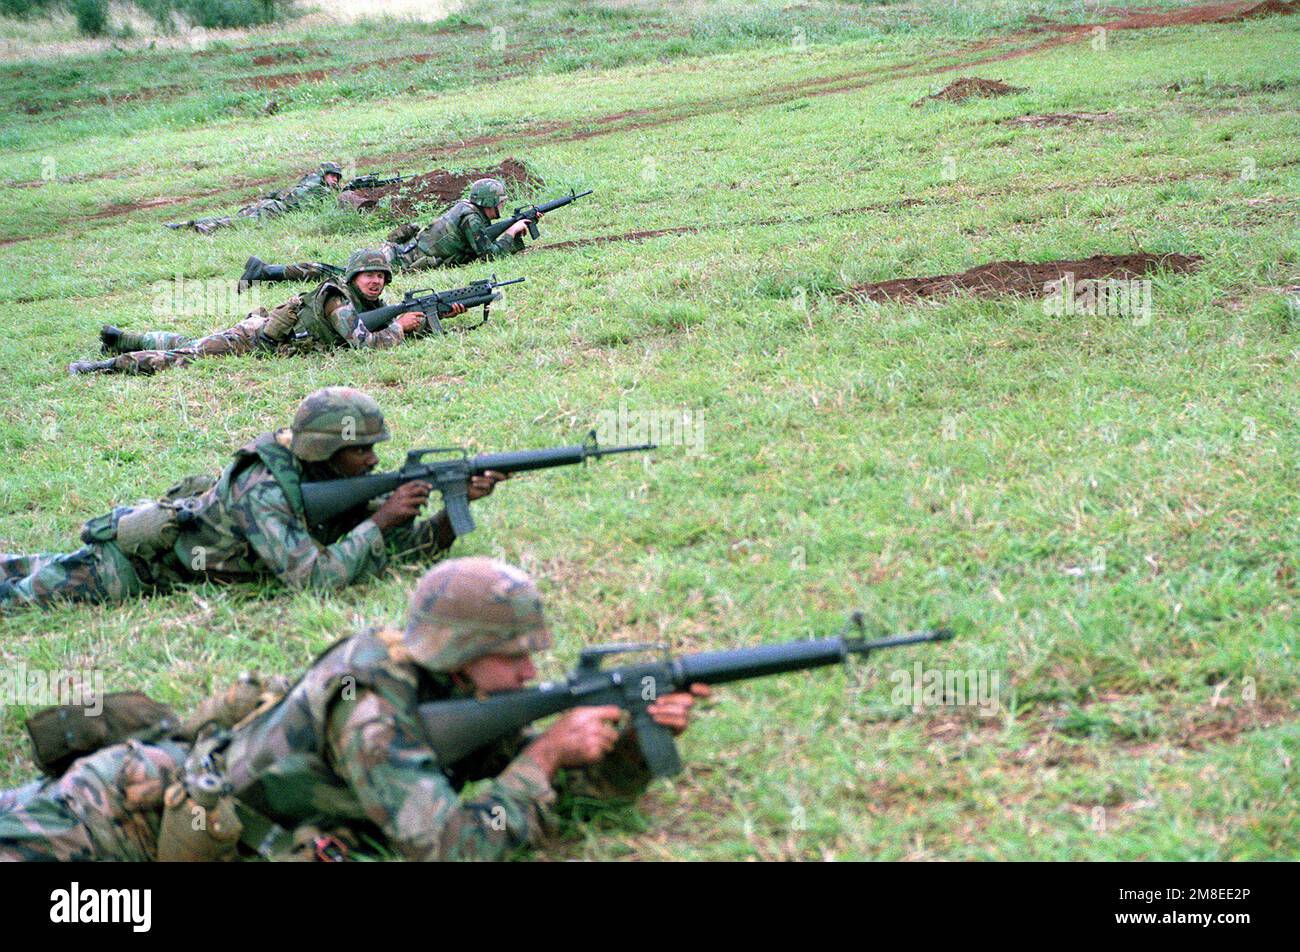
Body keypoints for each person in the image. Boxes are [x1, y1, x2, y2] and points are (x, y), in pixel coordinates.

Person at [0, 558, 707, 861]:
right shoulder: (371, 710)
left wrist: (627, 748)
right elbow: (453, 848)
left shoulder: (456, 688)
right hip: (116, 821)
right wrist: (544, 755)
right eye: (515, 655)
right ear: (460, 648)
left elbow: (570, 804)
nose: (530, 672)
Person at [0, 387, 504, 612]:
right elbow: (315, 580)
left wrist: (448, 517)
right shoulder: (263, 488)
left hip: (164, 558)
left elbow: (396, 554)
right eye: (361, 451)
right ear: (326, 450)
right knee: (20, 594)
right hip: (132, 570)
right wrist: (382, 520)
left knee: (20, 567)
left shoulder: (319, 477)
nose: (374, 461)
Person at [67, 249, 457, 376]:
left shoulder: (368, 304)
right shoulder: (338, 300)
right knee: (184, 357)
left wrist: (436, 317)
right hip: (252, 340)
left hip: (263, 330)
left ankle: (124, 339)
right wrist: (403, 329)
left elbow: (386, 322)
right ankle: (102, 367)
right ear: (354, 276)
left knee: (191, 344)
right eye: (369, 276)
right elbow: (364, 345)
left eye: (381, 277)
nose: (375, 282)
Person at [238, 177, 535, 286]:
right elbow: (488, 255)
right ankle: (266, 271)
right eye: (499, 203)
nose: (501, 208)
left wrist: (513, 232)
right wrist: (512, 234)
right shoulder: (471, 218)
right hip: (400, 261)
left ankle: (266, 271)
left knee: (336, 272)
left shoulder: (466, 209)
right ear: (486, 203)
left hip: (400, 251)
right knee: (336, 274)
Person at [165, 162, 343, 235]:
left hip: (270, 203)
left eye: (337, 177)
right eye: (332, 176)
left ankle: (185, 225)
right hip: (275, 208)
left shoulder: (308, 180)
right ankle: (205, 227)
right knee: (242, 222)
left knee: (236, 218)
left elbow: (281, 192)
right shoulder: (318, 188)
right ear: (324, 174)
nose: (335, 180)